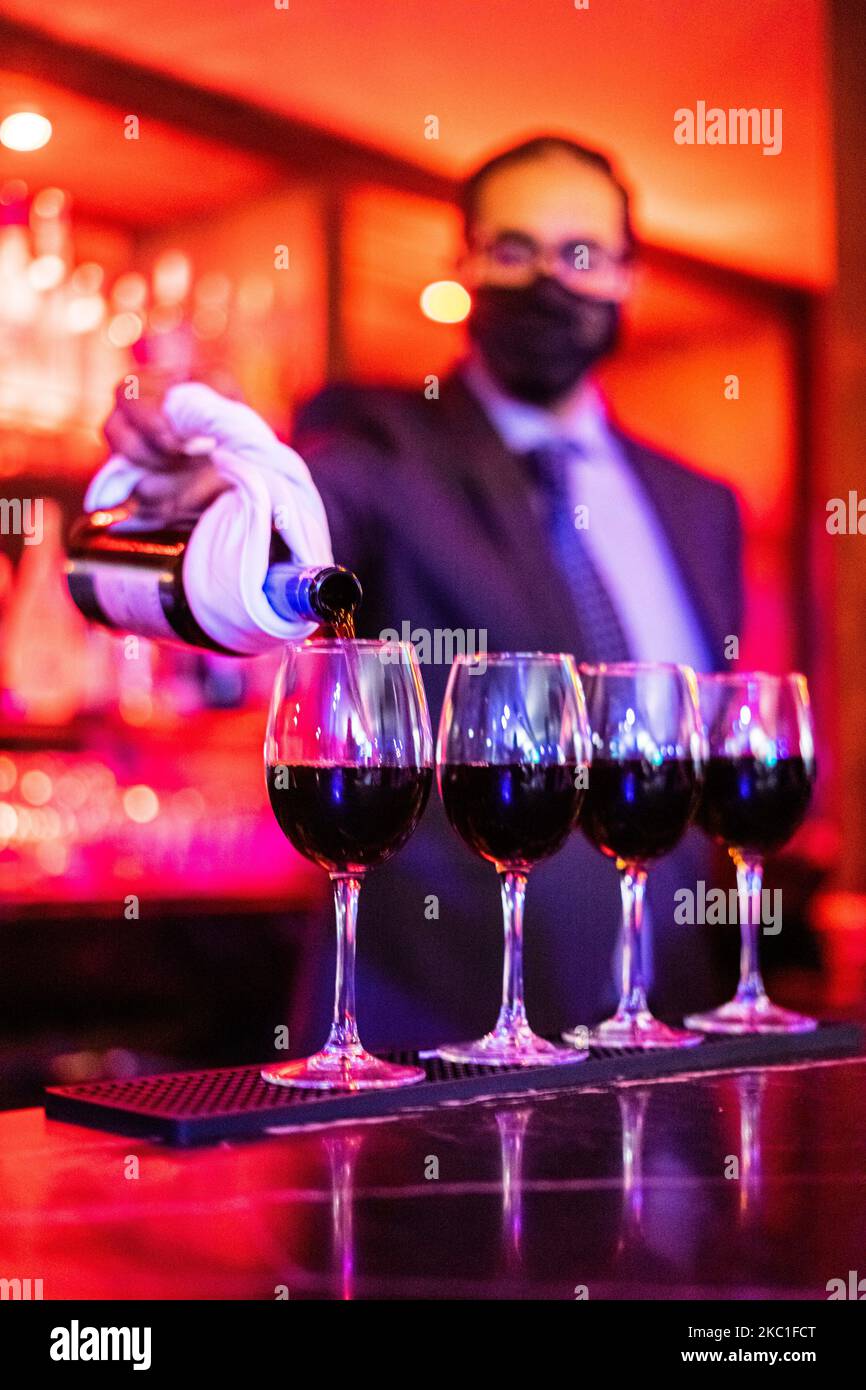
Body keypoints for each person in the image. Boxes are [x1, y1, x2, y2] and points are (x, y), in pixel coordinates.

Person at [104, 135, 742, 1052]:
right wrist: (215, 496)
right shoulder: (379, 448)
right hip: (437, 1042)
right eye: (512, 250)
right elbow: (286, 541)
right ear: (467, 268)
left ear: (628, 278)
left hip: (675, 1031)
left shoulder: (700, 506)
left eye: (581, 254)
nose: (547, 282)